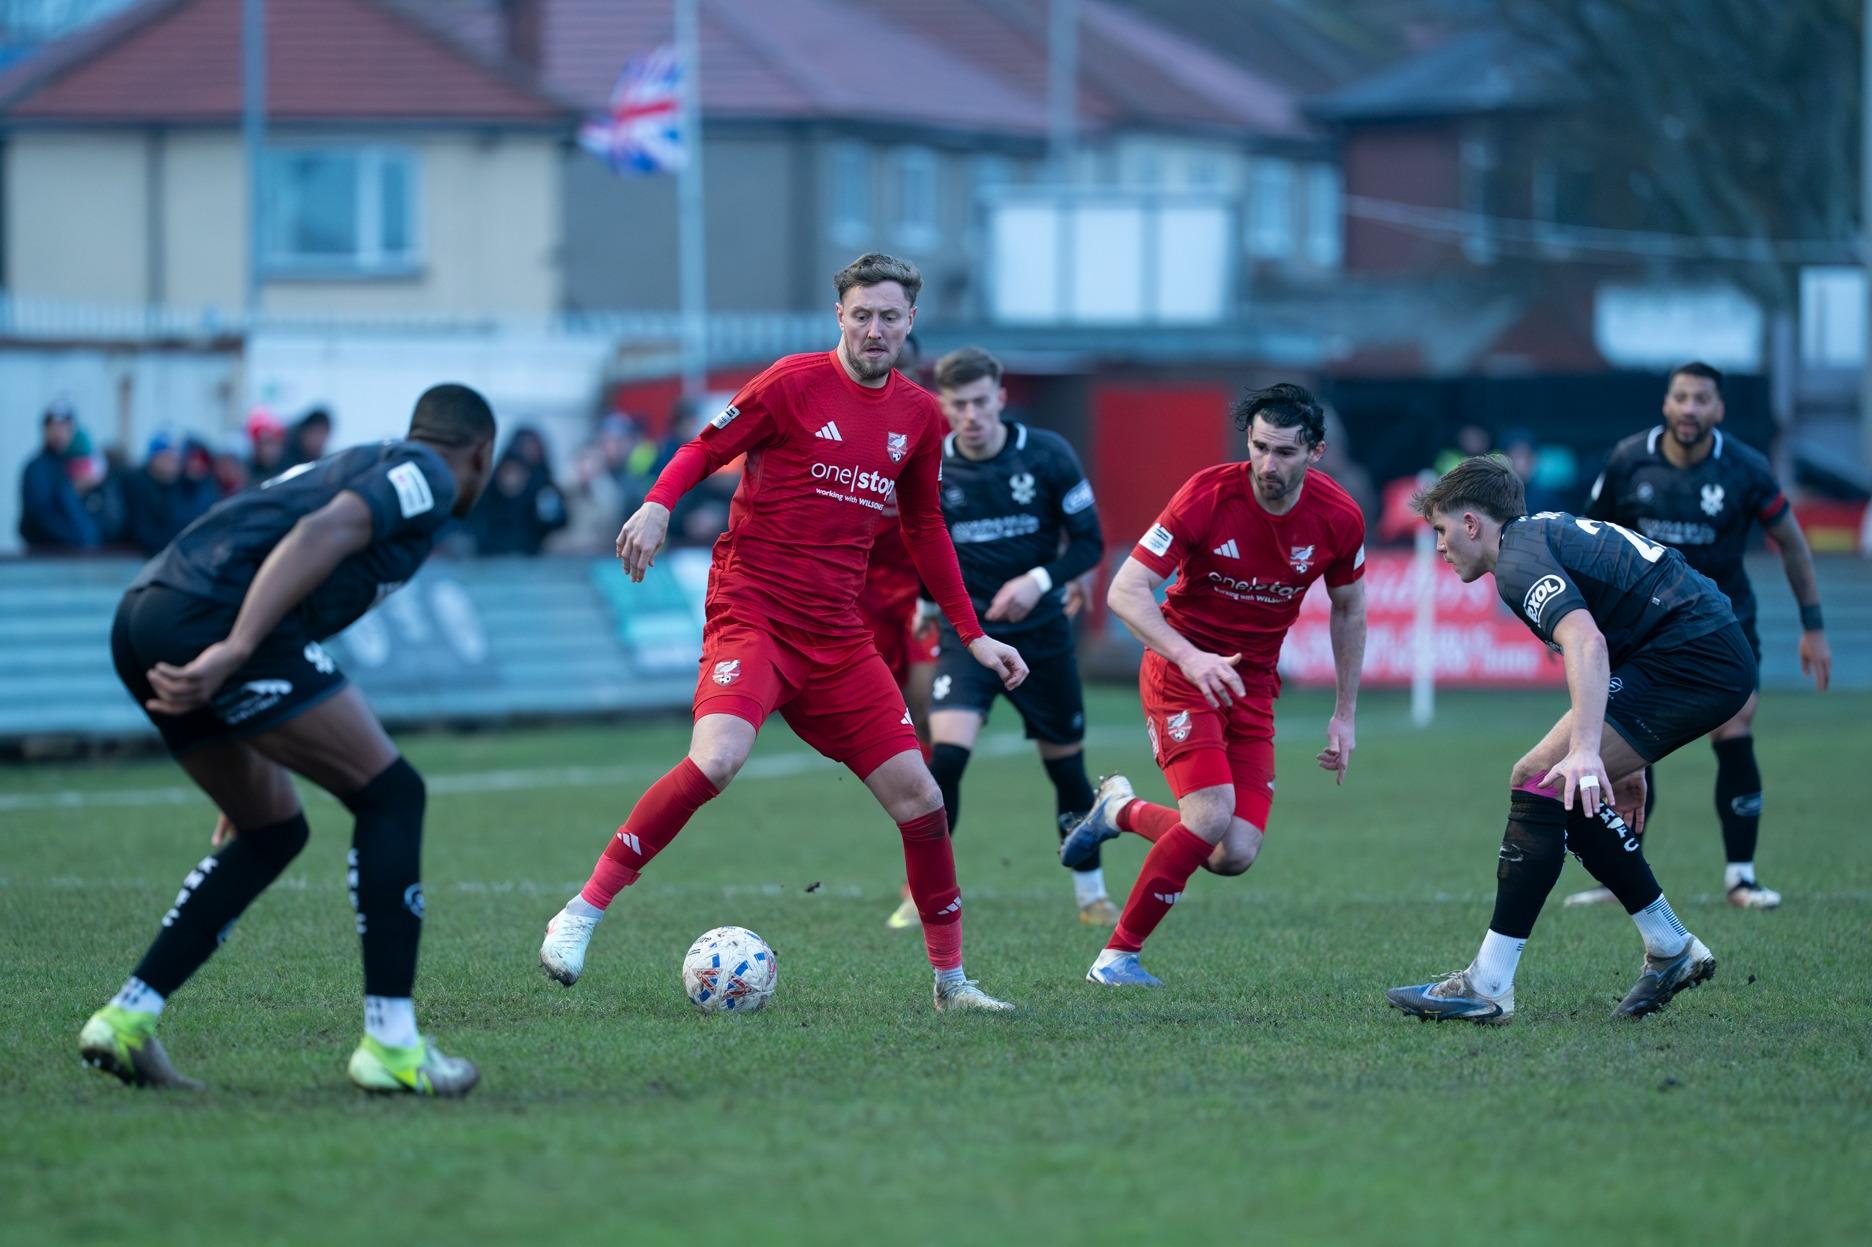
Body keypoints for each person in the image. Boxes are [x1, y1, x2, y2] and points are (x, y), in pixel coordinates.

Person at [537, 253, 1029, 1013]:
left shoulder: (920, 417)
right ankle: (581, 912)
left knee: (922, 798)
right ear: (839, 315)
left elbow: (927, 527)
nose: (874, 328)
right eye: (861, 314)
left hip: (839, 635)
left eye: (889, 317)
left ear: (910, 323)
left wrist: (974, 634)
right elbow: (704, 447)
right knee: (719, 759)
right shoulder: (792, 383)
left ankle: (952, 982)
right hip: (755, 614)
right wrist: (660, 503)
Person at [79, 384, 497, 1095]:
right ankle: (393, 1045)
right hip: (215, 621)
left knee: (269, 828)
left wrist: (246, 728)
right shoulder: (426, 473)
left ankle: (125, 1019)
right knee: (394, 794)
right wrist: (237, 648)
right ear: (481, 455)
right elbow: (321, 534)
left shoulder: (364, 460)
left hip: (146, 612)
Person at [1386, 455, 1749, 1024]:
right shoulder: (1538, 539)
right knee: (1557, 786)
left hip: (1693, 657)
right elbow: (1613, 636)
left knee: (1542, 780)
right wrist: (1624, 764)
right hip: (1694, 651)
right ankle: (1670, 946)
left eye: (1442, 529)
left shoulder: (1517, 562)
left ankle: (1488, 984)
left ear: (1473, 523)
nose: (1439, 545)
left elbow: (1587, 645)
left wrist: (1586, 750)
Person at [1060, 383, 1367, 986]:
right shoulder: (1206, 495)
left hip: (1251, 685)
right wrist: (1191, 657)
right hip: (1180, 671)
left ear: (1316, 452)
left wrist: (1345, 712)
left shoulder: (1338, 517)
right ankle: (1116, 957)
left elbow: (1350, 609)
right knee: (1208, 816)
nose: (1268, 465)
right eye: (1258, 448)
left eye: (1284, 452)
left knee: (1234, 853)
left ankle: (1120, 809)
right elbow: (1124, 590)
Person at [1566, 362, 1830, 909]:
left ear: (1719, 409)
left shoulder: (1745, 468)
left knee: (1733, 729)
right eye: (1681, 397)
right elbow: (1587, 541)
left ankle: (1741, 877)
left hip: (1723, 625)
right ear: (1666, 403)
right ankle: (1621, 880)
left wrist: (1813, 627)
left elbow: (1794, 544)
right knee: (1631, 744)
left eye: (1701, 399)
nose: (1690, 409)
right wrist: (1577, 624)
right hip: (1641, 628)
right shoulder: (1627, 459)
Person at [888, 344, 1112, 929]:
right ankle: (921, 894)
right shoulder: (930, 464)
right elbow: (918, 538)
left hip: (1041, 639)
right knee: (948, 761)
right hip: (971, 639)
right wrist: (926, 600)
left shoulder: (1047, 454)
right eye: (959, 404)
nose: (971, 415)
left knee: (1066, 770)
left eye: (981, 402)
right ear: (944, 405)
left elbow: (1089, 541)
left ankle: (1091, 895)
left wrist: (1041, 581)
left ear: (1001, 398)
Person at [19, 400, 100, 552]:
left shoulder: (72, 467)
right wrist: (77, 539)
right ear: (45, 429)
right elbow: (40, 516)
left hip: (73, 557)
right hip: (46, 557)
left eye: (65, 427)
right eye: (54, 427)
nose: (59, 433)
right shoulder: (37, 468)